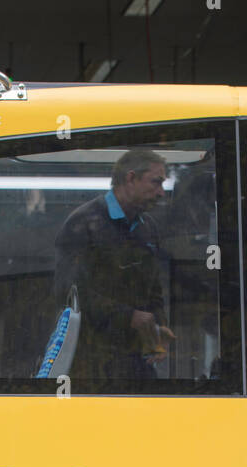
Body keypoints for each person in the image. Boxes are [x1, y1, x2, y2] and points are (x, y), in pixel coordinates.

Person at [54, 149, 174, 384]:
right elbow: (66, 291)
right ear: (131, 178)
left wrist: (159, 327)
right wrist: (127, 316)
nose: (161, 192)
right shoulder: (84, 223)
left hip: (135, 358)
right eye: (156, 182)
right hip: (91, 358)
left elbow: (153, 289)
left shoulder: (147, 227)